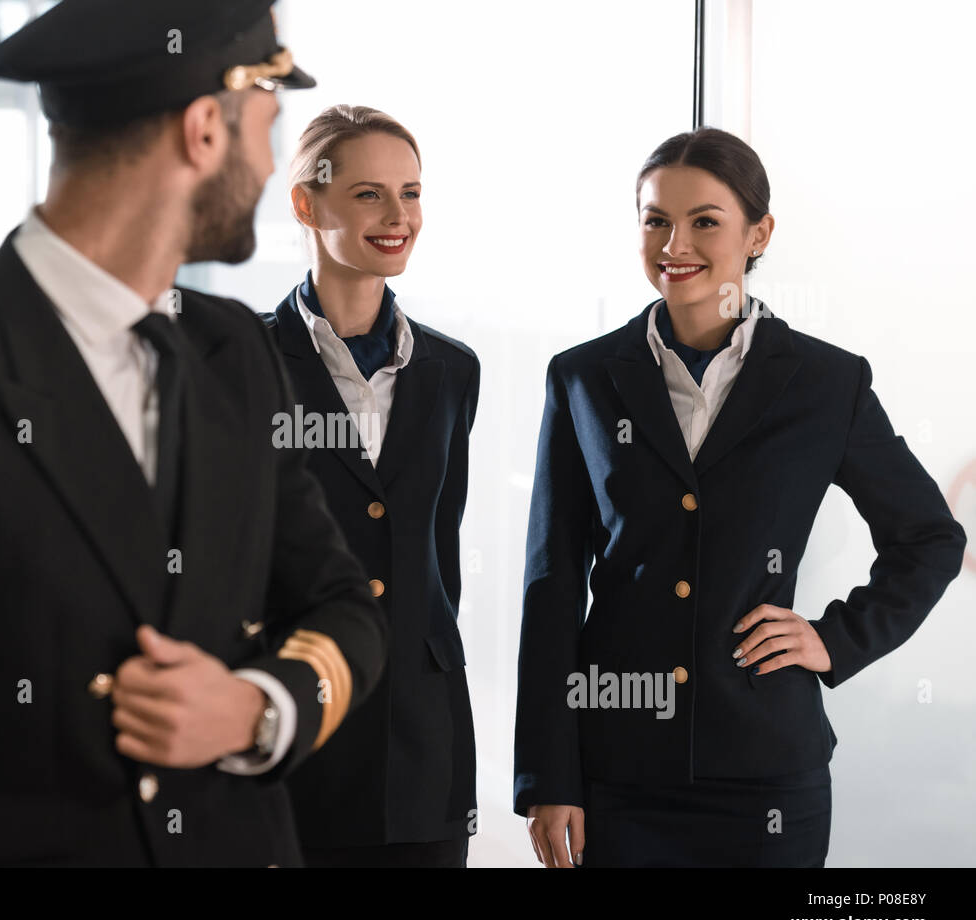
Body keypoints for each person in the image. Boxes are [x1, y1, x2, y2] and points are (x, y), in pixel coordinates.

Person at [0, 0, 387, 867]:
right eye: (269, 120)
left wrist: (260, 706)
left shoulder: (233, 356)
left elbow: (344, 604)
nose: (270, 161)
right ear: (204, 133)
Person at [514, 127, 967, 868]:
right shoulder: (583, 379)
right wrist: (545, 775)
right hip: (616, 775)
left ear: (758, 233)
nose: (675, 242)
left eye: (705, 221)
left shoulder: (827, 382)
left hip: (768, 784)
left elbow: (931, 537)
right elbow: (551, 583)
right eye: (655, 219)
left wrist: (835, 638)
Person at [263, 105, 479, 867]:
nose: (399, 217)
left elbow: (435, 559)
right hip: (291, 746)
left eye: (411, 193)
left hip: (423, 756)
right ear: (305, 203)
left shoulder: (453, 371)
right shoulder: (241, 362)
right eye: (368, 195)